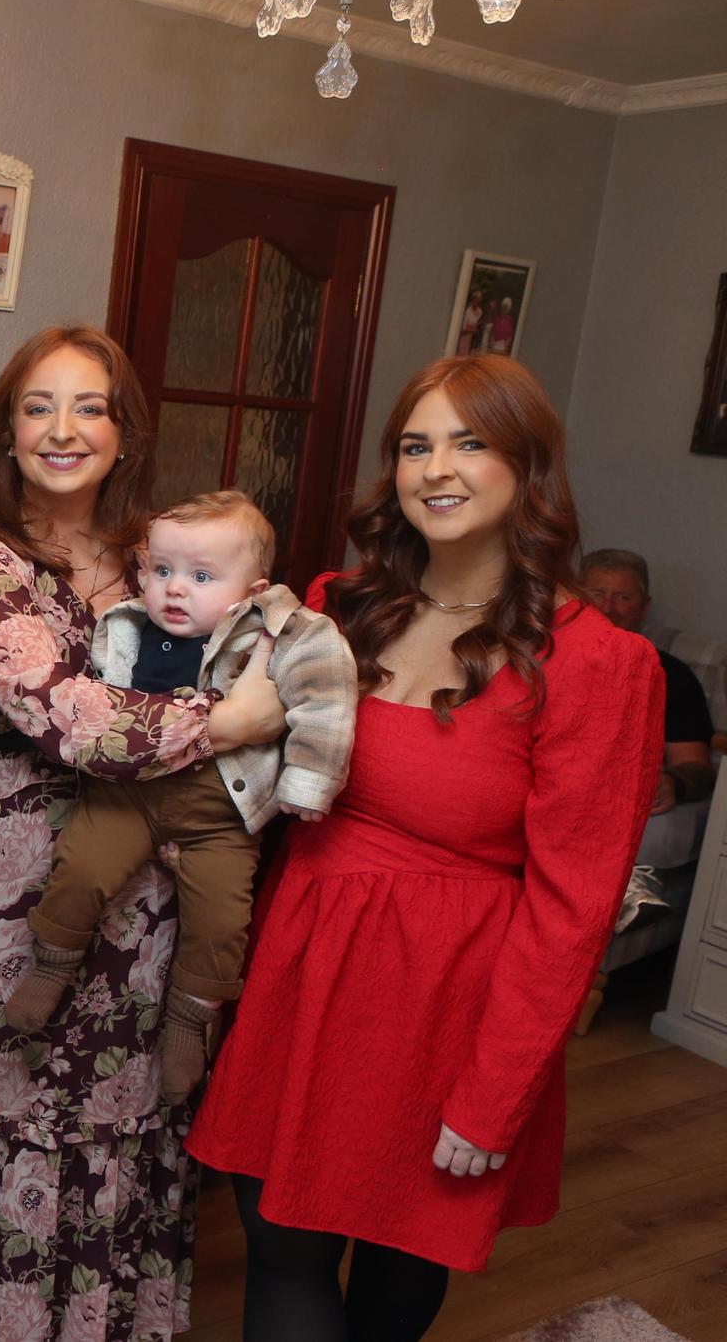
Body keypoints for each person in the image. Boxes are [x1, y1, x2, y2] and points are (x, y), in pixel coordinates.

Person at [186, 354, 663, 1341]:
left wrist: (494, 1092)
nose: (435, 467)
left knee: (397, 1272)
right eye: (414, 445)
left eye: (468, 441)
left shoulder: (597, 660)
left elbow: (572, 906)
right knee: (278, 1244)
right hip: (300, 968)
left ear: (526, 467)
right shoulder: (338, 606)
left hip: (445, 1006)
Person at [0, 325, 286, 1342]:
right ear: (6, 432)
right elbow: (67, 717)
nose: (62, 428)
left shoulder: (158, 556)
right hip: (8, 886)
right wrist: (227, 722)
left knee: (115, 1111)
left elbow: (259, 644)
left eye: (89, 406)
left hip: (146, 891)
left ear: (123, 431)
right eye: (37, 407)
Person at [4, 489, 358, 1104]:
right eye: (162, 570)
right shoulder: (127, 626)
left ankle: (190, 1020)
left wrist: (308, 780)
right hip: (131, 794)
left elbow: (326, 696)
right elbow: (95, 704)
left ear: (252, 590)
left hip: (221, 810)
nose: (174, 589)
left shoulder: (283, 632)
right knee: (80, 865)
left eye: (201, 577)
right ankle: (54, 961)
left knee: (221, 921)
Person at [581, 547, 716, 813]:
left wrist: (673, 783)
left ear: (644, 607)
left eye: (623, 597)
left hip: (618, 801)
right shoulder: (542, 659)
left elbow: (695, 766)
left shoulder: (669, 675)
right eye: (597, 594)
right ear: (576, 598)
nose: (607, 608)